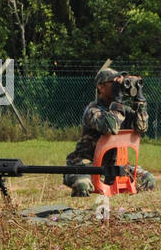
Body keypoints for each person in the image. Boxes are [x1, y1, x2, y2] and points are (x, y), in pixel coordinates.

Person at [64, 67, 156, 197]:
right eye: (113, 83)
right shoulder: (92, 111)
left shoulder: (122, 109)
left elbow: (141, 127)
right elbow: (110, 127)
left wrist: (139, 99)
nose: (118, 86)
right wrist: (117, 100)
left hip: (113, 166)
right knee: (82, 186)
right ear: (101, 87)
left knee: (148, 180)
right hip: (86, 164)